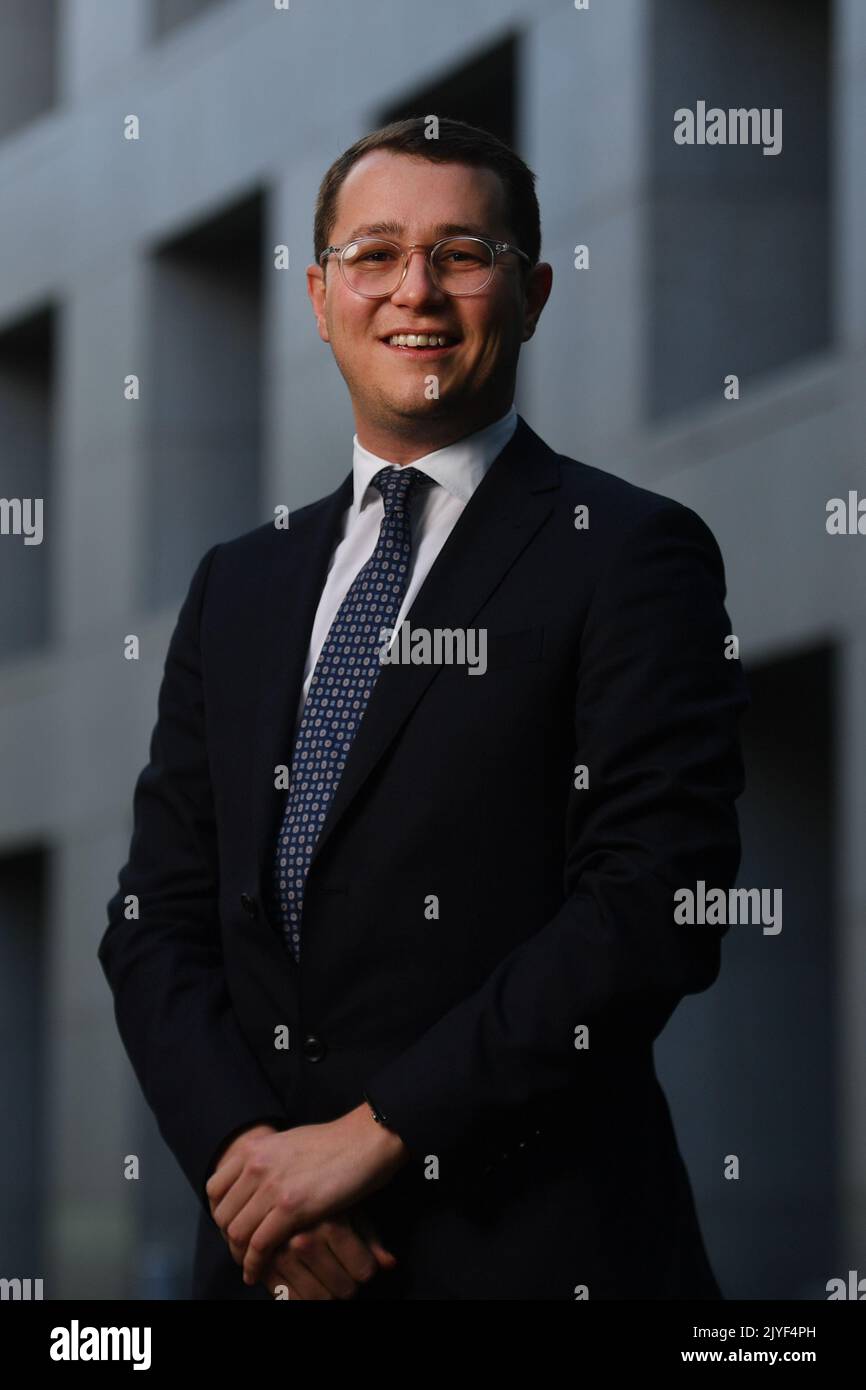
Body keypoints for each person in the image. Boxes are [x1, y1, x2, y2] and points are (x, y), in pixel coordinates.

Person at [98, 117, 750, 1300]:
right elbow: (156, 921)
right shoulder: (237, 586)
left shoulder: (628, 557)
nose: (417, 291)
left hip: (537, 1256)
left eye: (462, 252)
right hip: (272, 1265)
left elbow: (651, 907)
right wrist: (253, 1168)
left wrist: (363, 1143)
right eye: (374, 254)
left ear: (533, 291)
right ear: (318, 294)